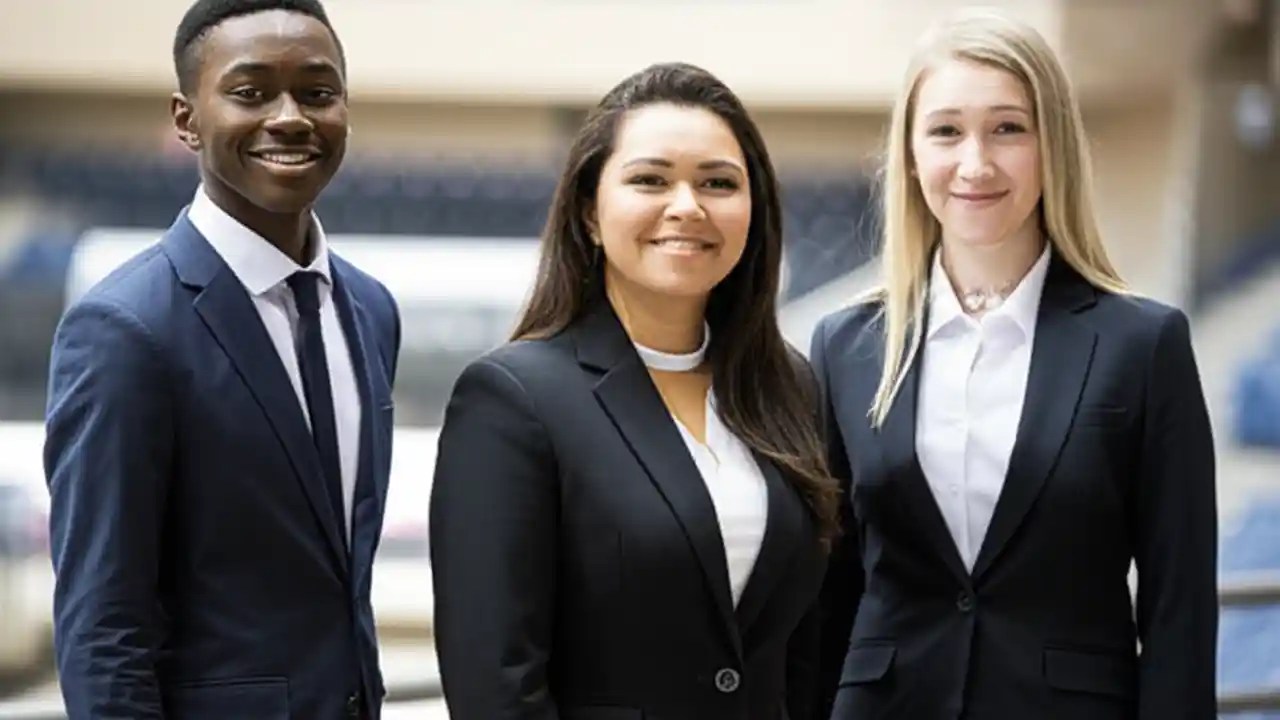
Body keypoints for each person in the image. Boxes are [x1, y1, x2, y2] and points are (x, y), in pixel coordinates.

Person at [810, 10, 1217, 720]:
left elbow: (1178, 604)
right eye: (945, 131)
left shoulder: (1142, 345)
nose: (975, 162)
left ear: (1051, 145)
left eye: (1007, 128)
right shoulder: (844, 346)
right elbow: (826, 591)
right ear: (909, 153)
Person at [429, 62, 839, 720]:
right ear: (590, 212)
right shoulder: (513, 399)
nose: (687, 205)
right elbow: (496, 684)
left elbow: (804, 650)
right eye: (650, 179)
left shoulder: (789, 388)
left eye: (718, 183)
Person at [43, 0, 400, 717]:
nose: (291, 116)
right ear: (186, 120)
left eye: (318, 92)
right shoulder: (125, 328)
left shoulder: (369, 308)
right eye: (250, 92)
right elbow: (103, 628)